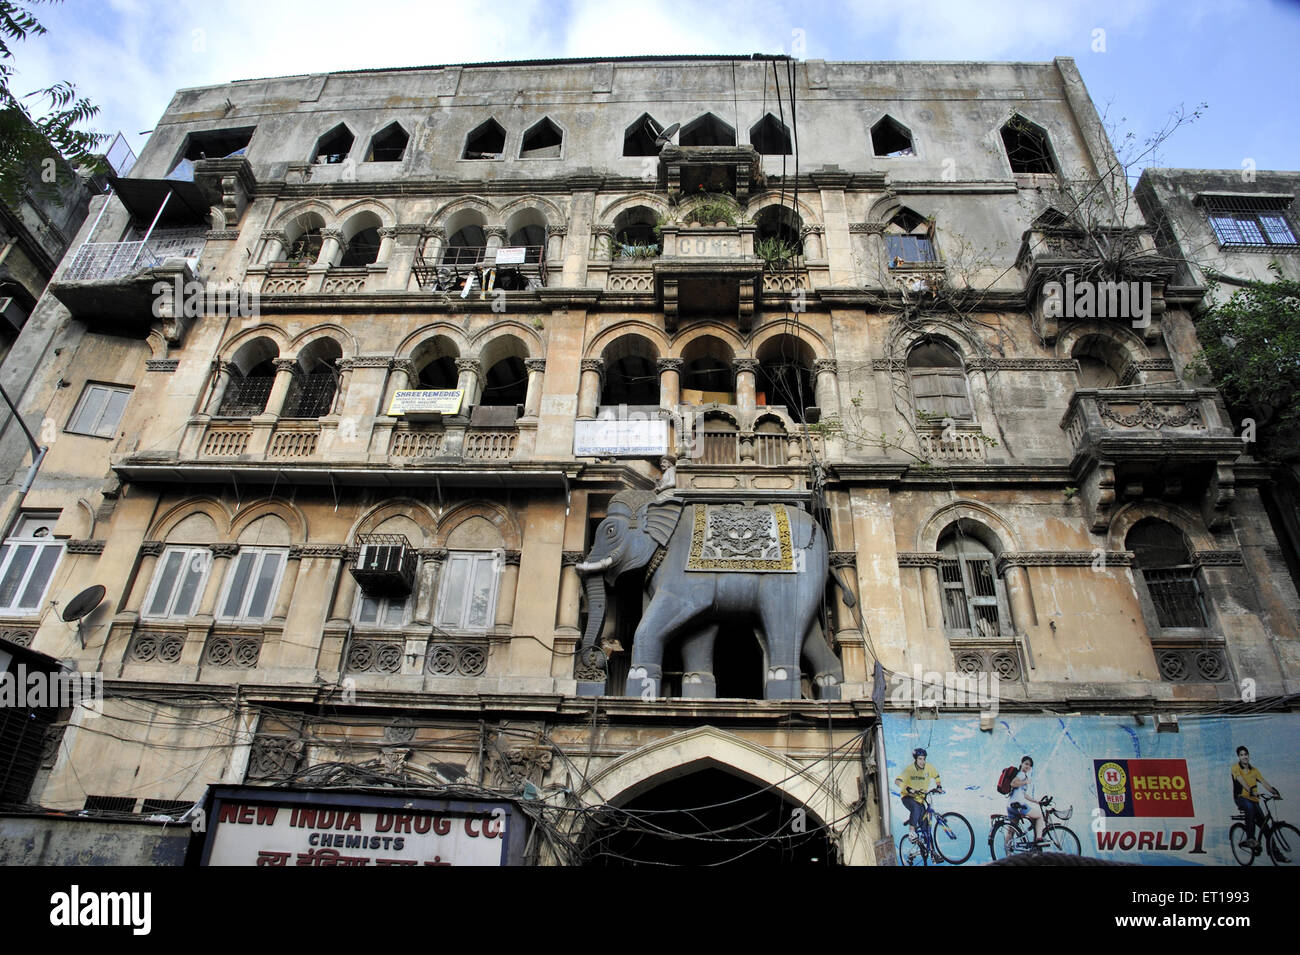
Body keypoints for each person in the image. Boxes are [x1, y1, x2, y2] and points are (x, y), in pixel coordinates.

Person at [1232, 746, 1281, 852]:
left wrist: (1274, 792)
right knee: (1249, 808)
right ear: (1239, 757)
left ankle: (1276, 853)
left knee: (1265, 827)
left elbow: (1263, 782)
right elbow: (1241, 780)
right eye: (1241, 755)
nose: (1244, 756)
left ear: (1248, 755)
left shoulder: (1254, 770)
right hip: (1240, 798)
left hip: (1254, 799)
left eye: (1246, 754)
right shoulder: (1235, 768)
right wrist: (1251, 791)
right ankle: (1250, 839)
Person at [896, 747, 942, 844]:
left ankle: (933, 854)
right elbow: (897, 781)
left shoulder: (929, 767)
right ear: (916, 759)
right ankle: (911, 832)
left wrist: (938, 786)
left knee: (926, 829)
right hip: (908, 797)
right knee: (916, 808)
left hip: (920, 799)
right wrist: (908, 789)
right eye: (920, 759)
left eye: (924, 759)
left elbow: (936, 776)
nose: (922, 761)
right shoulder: (910, 769)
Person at [1006, 755, 1046, 845]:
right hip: (1019, 805)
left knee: (1010, 832)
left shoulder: (1020, 775)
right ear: (1021, 764)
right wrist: (1025, 782)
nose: (1027, 766)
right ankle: (1038, 840)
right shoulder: (1021, 774)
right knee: (1039, 816)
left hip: (1011, 806)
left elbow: (1023, 794)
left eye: (1030, 765)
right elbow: (1013, 784)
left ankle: (1008, 853)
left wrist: (1036, 801)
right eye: (1026, 764)